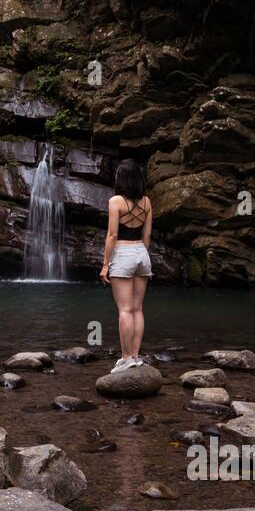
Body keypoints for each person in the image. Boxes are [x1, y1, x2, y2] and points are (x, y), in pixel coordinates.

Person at [99, 159, 152, 372]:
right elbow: (147, 234)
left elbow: (112, 235)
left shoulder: (115, 201)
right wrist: (142, 253)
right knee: (137, 309)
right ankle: (136, 356)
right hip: (142, 252)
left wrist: (105, 265)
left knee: (124, 310)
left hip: (122, 253)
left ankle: (126, 357)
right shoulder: (147, 202)